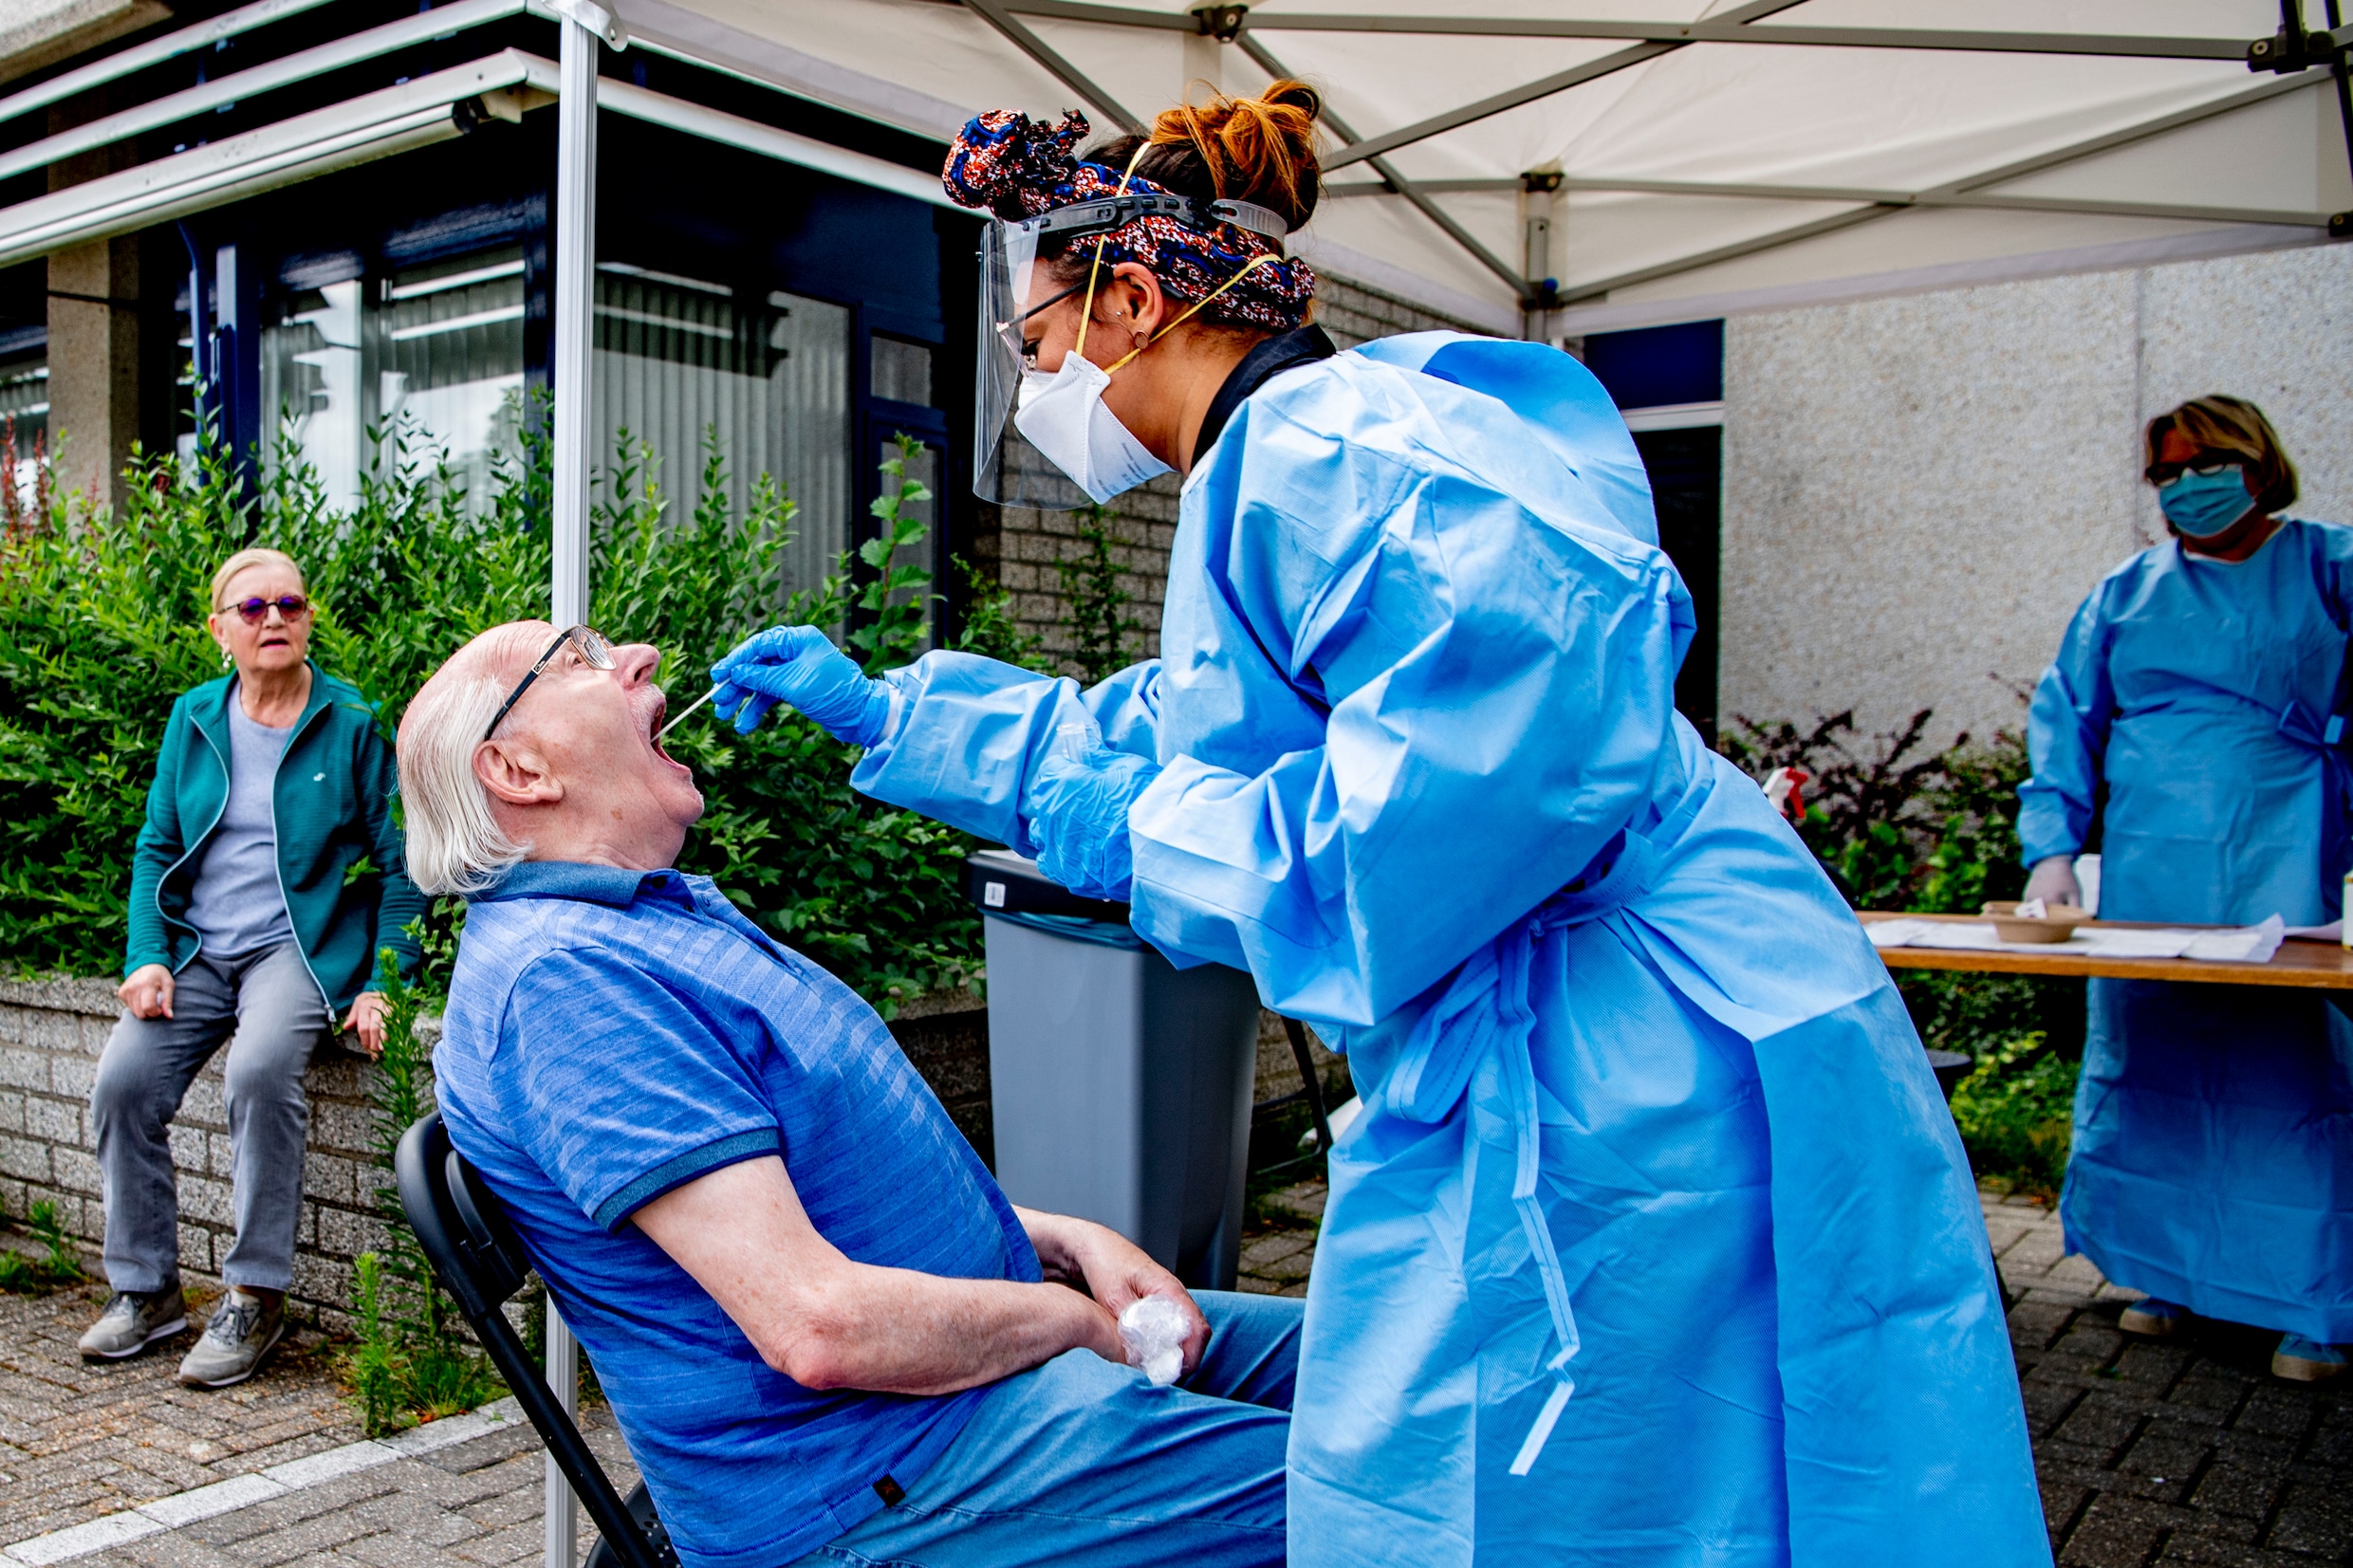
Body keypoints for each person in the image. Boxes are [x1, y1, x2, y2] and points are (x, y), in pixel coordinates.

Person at [707, 85, 2051, 1566]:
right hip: (1581, 1031)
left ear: (1135, 299)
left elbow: (1444, 813)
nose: (1036, 394)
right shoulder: (1298, 460)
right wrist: (903, 719)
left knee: (1624, 1484)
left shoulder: (1330, 454)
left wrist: (1142, 837)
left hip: (1636, 1059)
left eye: (1036, 348)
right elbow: (1193, 729)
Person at [398, 620, 1300, 1568]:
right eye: (578, 661)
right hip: (887, 1483)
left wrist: (1066, 1241)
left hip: (963, 1387)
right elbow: (819, 1325)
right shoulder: (566, 987)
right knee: (1410, 1496)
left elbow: (816, 1199)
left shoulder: (636, 925)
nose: (640, 658)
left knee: (1417, 1385)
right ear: (520, 770)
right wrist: (1072, 1323)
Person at [2019, 395, 2353, 1382]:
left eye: (2200, 463)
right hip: (2148, 869)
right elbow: (2065, 719)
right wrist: (2051, 848)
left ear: (2254, 463)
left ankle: (2313, 1301)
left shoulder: (2326, 569)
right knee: (2156, 1063)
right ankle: (2165, 1271)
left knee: (2285, 1070)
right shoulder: (2125, 594)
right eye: (2162, 473)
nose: (2181, 486)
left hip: (2282, 855)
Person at [85, 547, 422, 1387]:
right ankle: (147, 1291)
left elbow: (403, 864)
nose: (273, 618)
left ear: (308, 619)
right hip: (201, 947)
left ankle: (254, 1295)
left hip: (294, 950)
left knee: (261, 1068)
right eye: (252, 608)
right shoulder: (194, 716)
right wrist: (148, 956)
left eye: (290, 604)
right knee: (122, 1081)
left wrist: (384, 978)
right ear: (219, 630)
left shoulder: (350, 721)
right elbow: (157, 847)